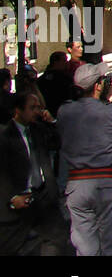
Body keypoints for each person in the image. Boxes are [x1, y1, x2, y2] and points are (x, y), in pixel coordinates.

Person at [56, 63, 112, 255]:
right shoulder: (111, 112)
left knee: (86, 247)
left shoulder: (64, 111)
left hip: (77, 187)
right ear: (98, 86)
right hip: (104, 185)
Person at [0, 90, 65, 255]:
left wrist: (51, 122)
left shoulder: (38, 129)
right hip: (20, 198)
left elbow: (56, 143)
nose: (37, 111)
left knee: (55, 238)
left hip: (43, 194)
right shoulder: (5, 135)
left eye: (38, 107)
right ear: (18, 110)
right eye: (32, 108)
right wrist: (12, 197)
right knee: (13, 245)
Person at [37, 52, 75, 118]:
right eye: (64, 60)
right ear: (56, 62)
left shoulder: (41, 79)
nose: (66, 63)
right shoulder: (65, 79)